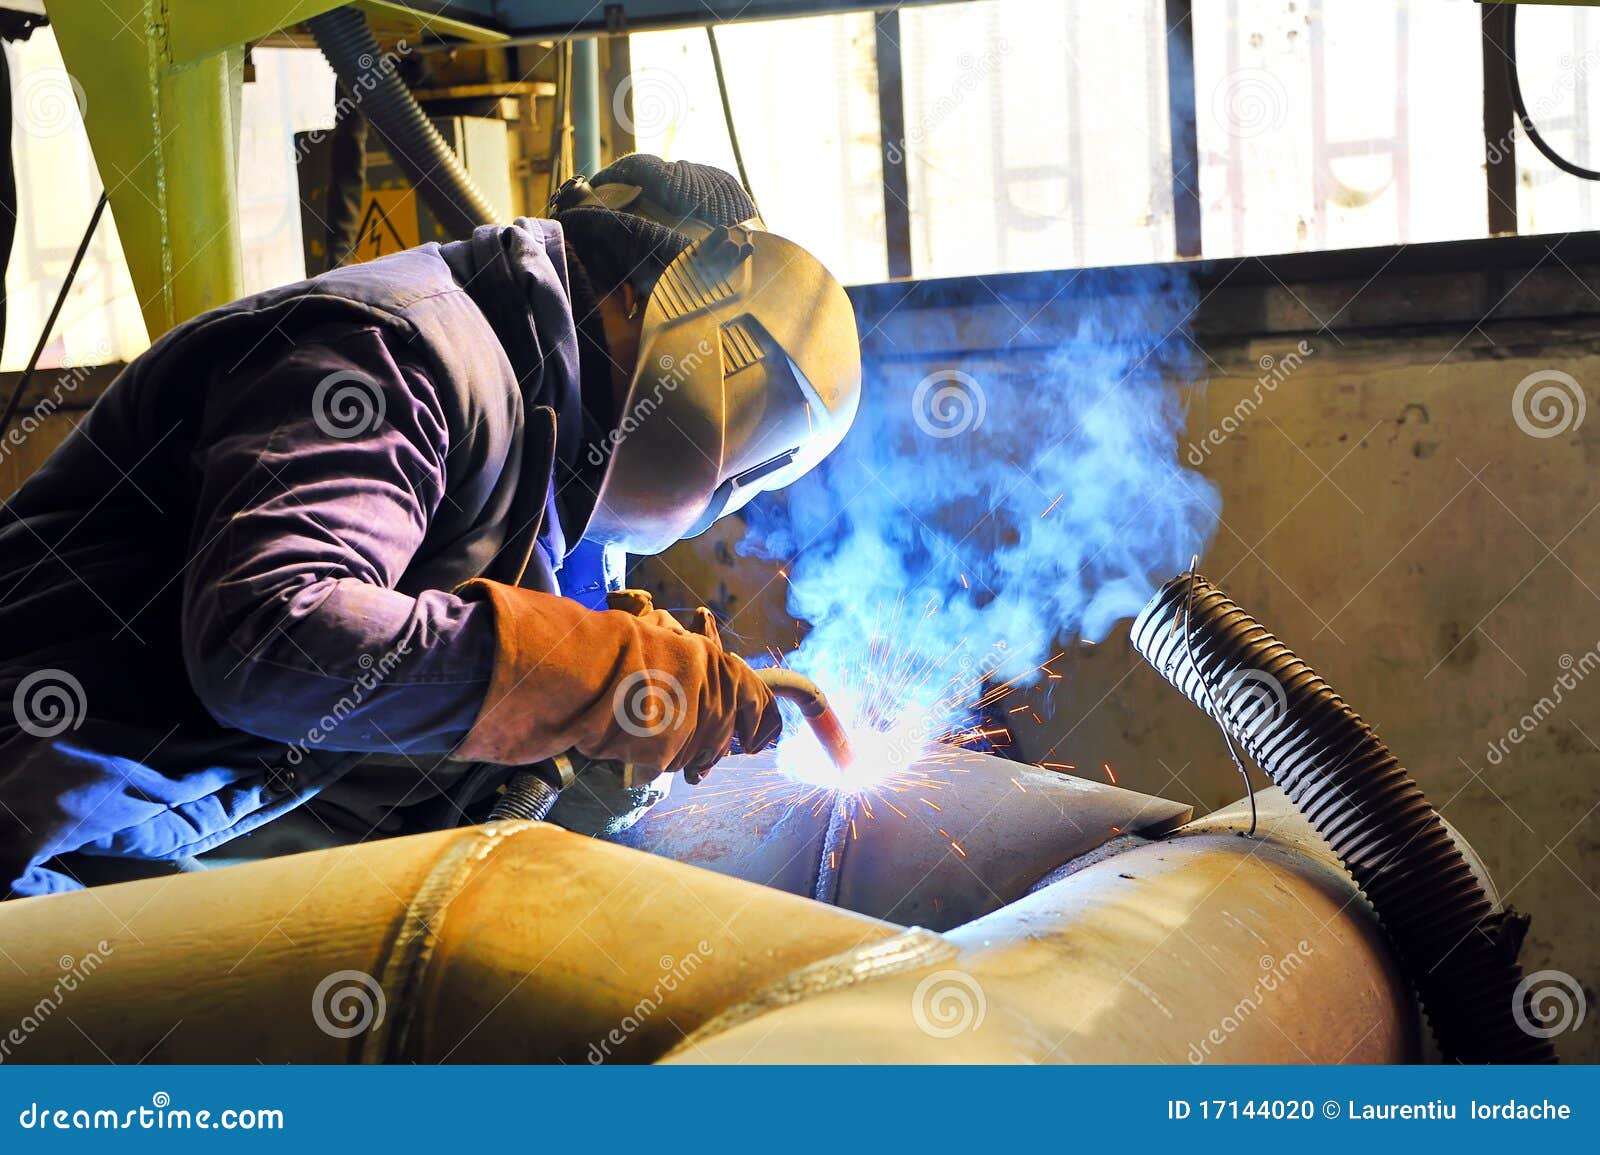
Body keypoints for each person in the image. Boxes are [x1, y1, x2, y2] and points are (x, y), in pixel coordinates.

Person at [0, 155, 861, 897]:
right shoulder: (394, 351)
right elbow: (267, 635)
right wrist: (597, 673)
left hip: (138, 845)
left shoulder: (548, 462)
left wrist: (596, 737)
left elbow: (419, 701)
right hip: (34, 836)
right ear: (636, 299)